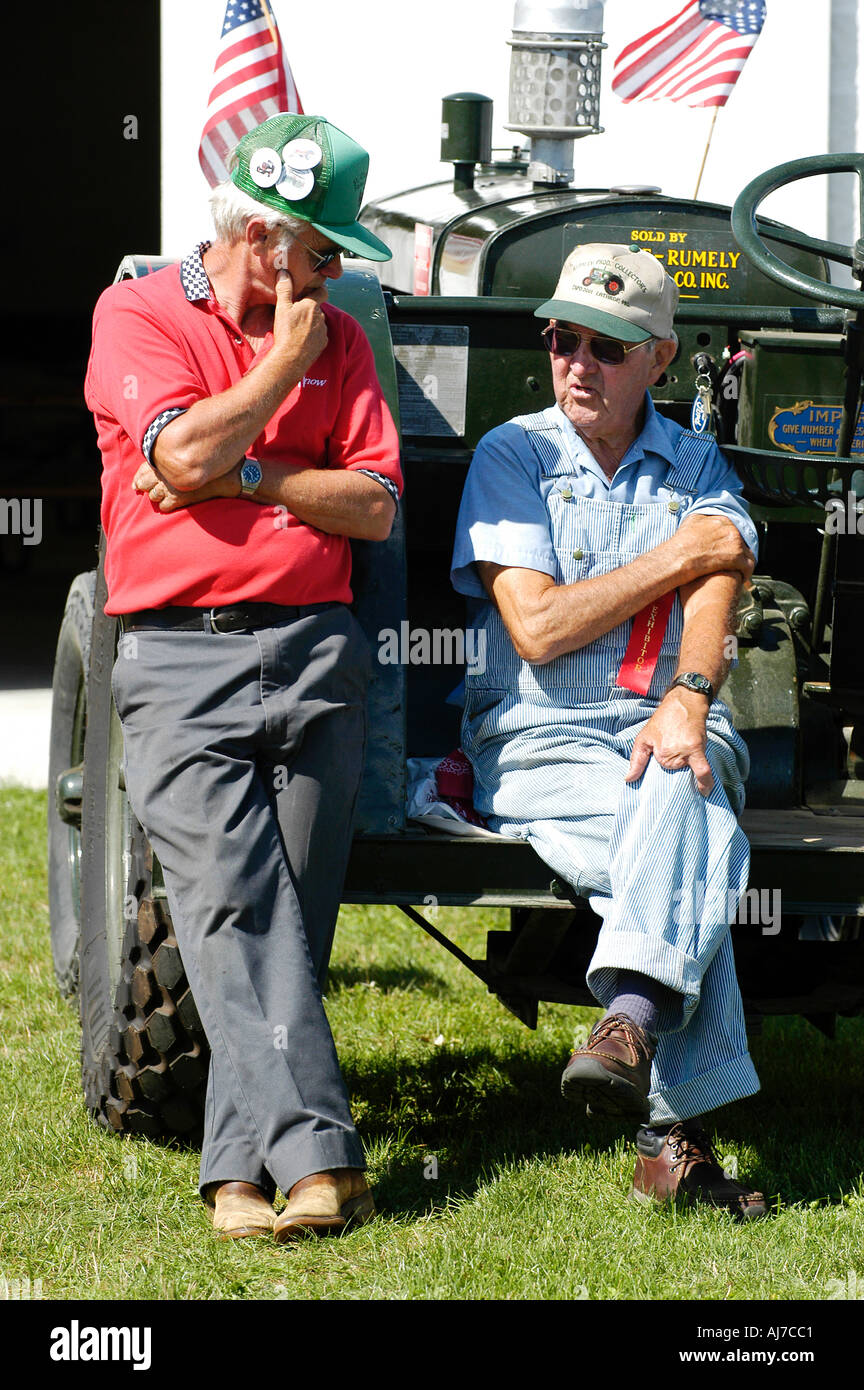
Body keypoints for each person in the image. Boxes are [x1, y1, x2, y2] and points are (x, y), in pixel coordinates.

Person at [84, 113, 402, 1242]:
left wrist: (260, 473)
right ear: (265, 239)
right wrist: (280, 373)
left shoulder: (346, 345)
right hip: (179, 656)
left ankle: (233, 1177)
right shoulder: (137, 313)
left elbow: (372, 503)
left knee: (278, 930)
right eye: (324, 255)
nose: (335, 278)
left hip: (316, 648)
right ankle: (326, 1159)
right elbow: (175, 456)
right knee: (237, 901)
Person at [451, 243, 767, 1218]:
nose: (579, 362)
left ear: (660, 358)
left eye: (609, 346)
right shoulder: (515, 453)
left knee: (688, 778)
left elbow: (722, 575)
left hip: (663, 724)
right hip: (540, 740)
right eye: (563, 339)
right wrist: (677, 550)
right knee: (690, 845)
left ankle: (625, 1023)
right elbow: (537, 628)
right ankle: (674, 1138)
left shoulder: (696, 457)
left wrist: (693, 690)